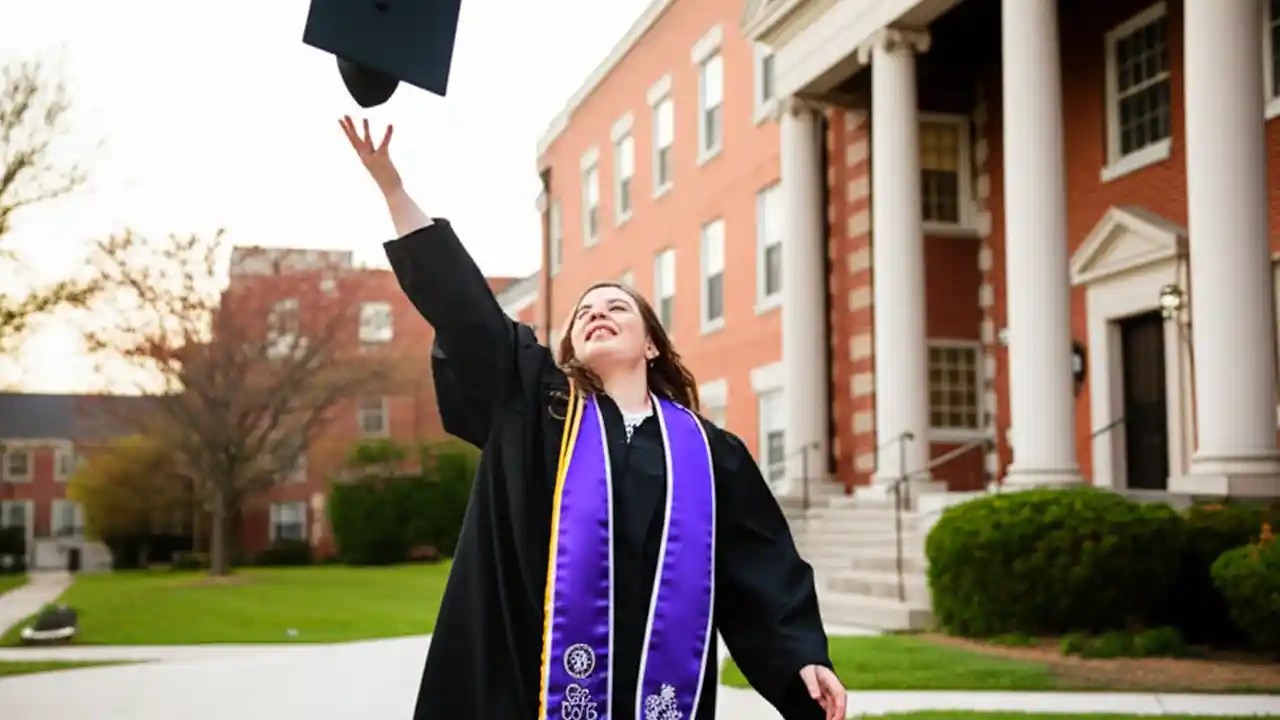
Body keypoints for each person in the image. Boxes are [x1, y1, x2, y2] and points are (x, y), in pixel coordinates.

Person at [340, 116, 847, 720]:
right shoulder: (533, 405)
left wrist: (801, 657)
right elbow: (464, 308)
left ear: (652, 345)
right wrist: (393, 189)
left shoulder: (709, 455)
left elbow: (759, 564)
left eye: (617, 307)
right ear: (571, 347)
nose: (598, 313)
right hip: (526, 690)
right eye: (585, 311)